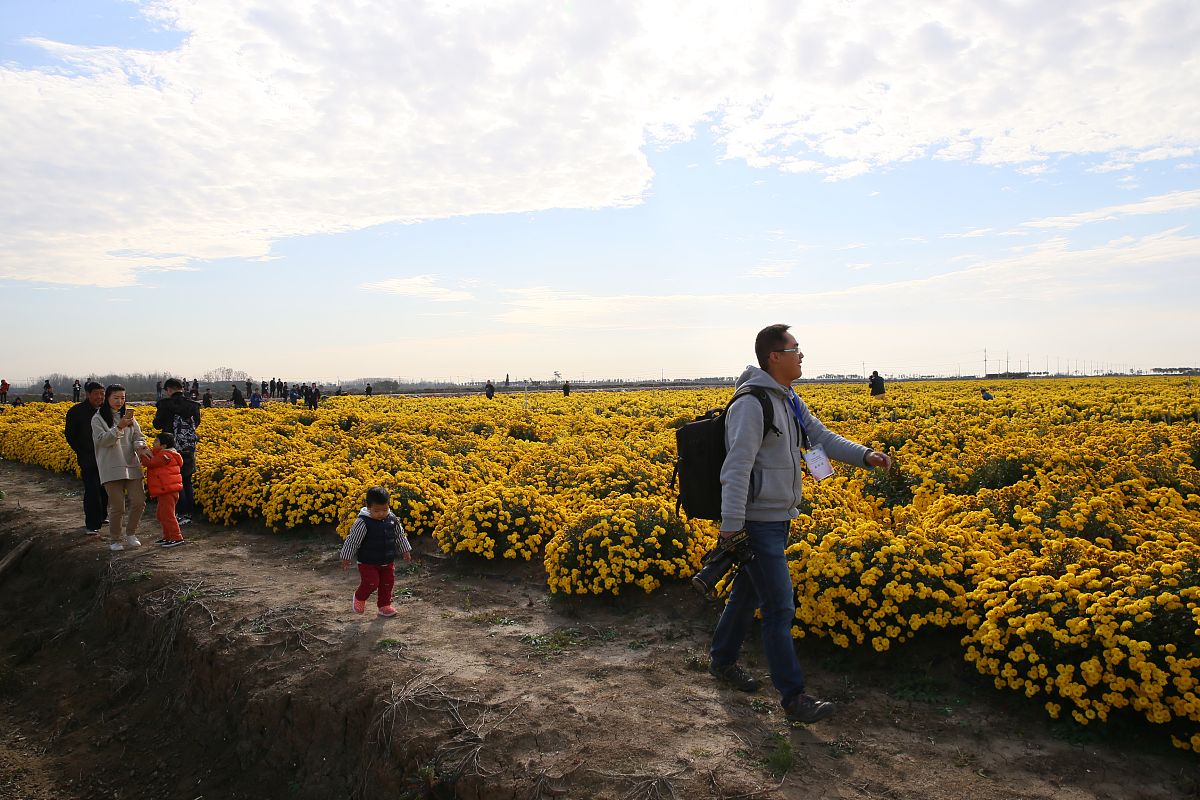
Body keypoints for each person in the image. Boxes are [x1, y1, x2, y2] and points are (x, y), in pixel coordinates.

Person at [709, 324, 893, 724]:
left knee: (747, 594)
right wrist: (732, 526)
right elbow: (736, 466)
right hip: (757, 521)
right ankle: (793, 698)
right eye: (795, 348)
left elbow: (820, 437)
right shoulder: (751, 404)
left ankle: (721, 661)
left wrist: (866, 456)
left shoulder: (789, 398)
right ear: (774, 356)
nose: (802, 355)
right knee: (779, 606)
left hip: (778, 516)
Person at [92, 384, 150, 551]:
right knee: (118, 507)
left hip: (131, 463)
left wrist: (140, 446)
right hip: (111, 465)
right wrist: (119, 427)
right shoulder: (98, 418)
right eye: (115, 398)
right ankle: (115, 539)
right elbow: (103, 441)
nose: (119, 401)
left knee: (139, 502)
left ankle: (130, 533)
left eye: (122, 398)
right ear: (107, 399)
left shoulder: (129, 417)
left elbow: (138, 436)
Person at [340, 486, 412, 617]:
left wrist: (405, 550)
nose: (381, 513)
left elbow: (400, 536)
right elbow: (352, 541)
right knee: (371, 582)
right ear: (368, 508)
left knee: (387, 583)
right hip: (368, 561)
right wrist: (346, 557)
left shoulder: (392, 519)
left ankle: (384, 605)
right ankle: (359, 597)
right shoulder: (363, 522)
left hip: (387, 560)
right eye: (377, 510)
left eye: (385, 509)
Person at [154, 378, 202, 526]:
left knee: (174, 481)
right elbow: (197, 423)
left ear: (168, 389)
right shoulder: (193, 405)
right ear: (181, 388)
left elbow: (157, 425)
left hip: (170, 448)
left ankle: (179, 512)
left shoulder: (164, 405)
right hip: (188, 447)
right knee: (186, 480)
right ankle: (188, 513)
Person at [64, 381, 108, 534]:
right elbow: (70, 435)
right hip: (88, 458)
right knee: (92, 490)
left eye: (102, 393)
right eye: (97, 393)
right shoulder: (76, 412)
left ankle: (102, 515)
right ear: (87, 394)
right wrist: (82, 450)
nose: (100, 397)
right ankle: (92, 524)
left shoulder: (106, 410)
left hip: (106, 457)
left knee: (104, 489)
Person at [142, 431, 185, 547]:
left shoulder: (165, 456)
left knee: (167, 515)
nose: (153, 443)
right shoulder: (166, 453)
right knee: (161, 515)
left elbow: (150, 462)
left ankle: (176, 537)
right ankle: (168, 536)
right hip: (166, 490)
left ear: (164, 446)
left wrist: (141, 454)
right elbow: (154, 453)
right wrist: (147, 450)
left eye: (156, 441)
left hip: (168, 490)